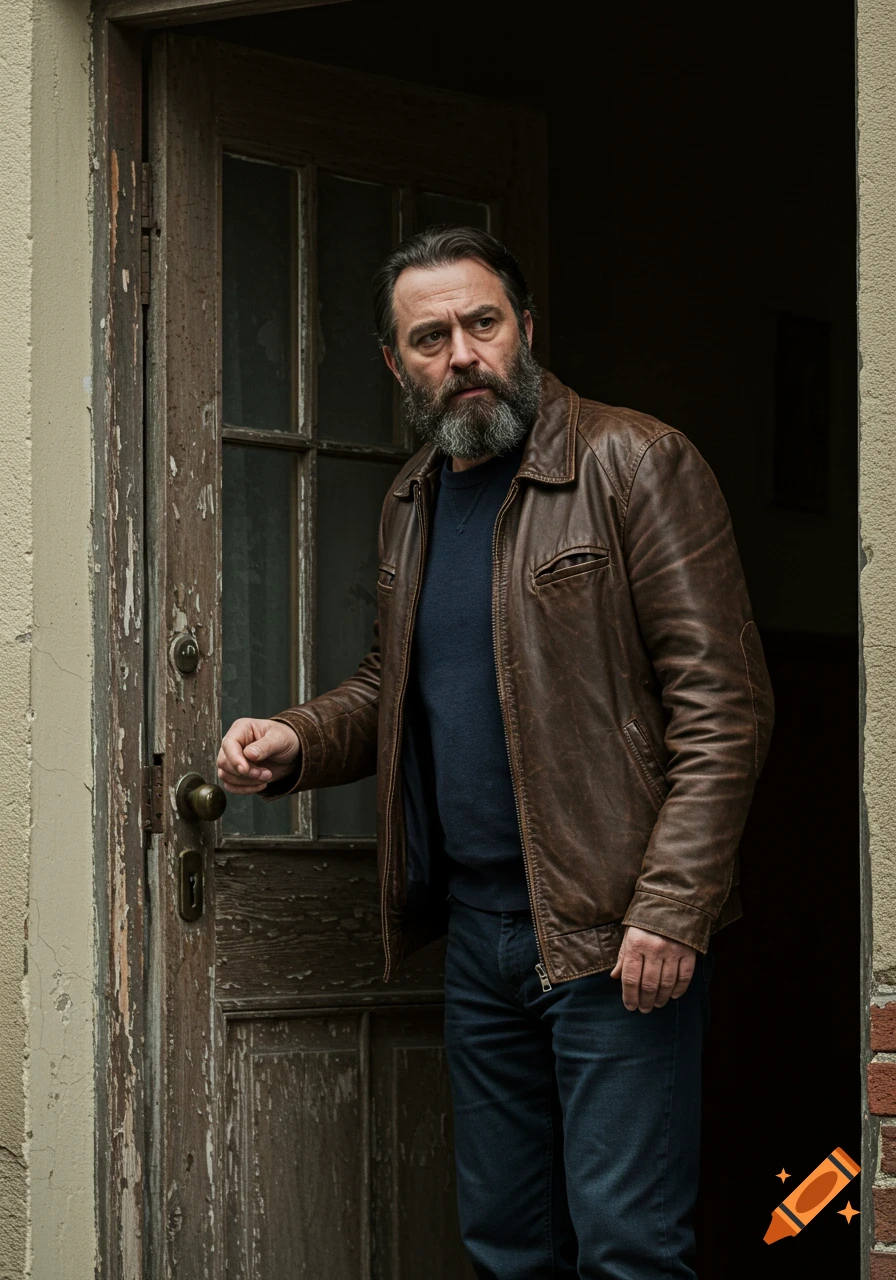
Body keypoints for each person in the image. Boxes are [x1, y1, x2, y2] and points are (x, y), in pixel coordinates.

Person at [217, 226, 774, 1279]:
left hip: (614, 933)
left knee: (627, 1248)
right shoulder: (412, 499)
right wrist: (293, 736)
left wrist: (669, 903)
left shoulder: (632, 461)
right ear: (396, 364)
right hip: (479, 938)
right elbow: (393, 687)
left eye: (481, 322)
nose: (461, 352)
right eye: (429, 336)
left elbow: (723, 705)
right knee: (507, 1246)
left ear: (524, 327)